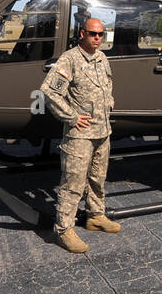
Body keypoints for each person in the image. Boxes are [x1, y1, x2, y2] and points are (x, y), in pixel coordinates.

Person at [40, 17, 121, 252]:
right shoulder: (70, 59)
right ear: (82, 33)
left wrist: (109, 106)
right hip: (80, 135)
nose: (98, 38)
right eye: (94, 34)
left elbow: (107, 87)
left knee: (97, 178)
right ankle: (64, 229)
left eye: (101, 34)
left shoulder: (102, 58)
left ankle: (96, 216)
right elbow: (49, 92)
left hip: (103, 132)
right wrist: (72, 117)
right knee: (73, 183)